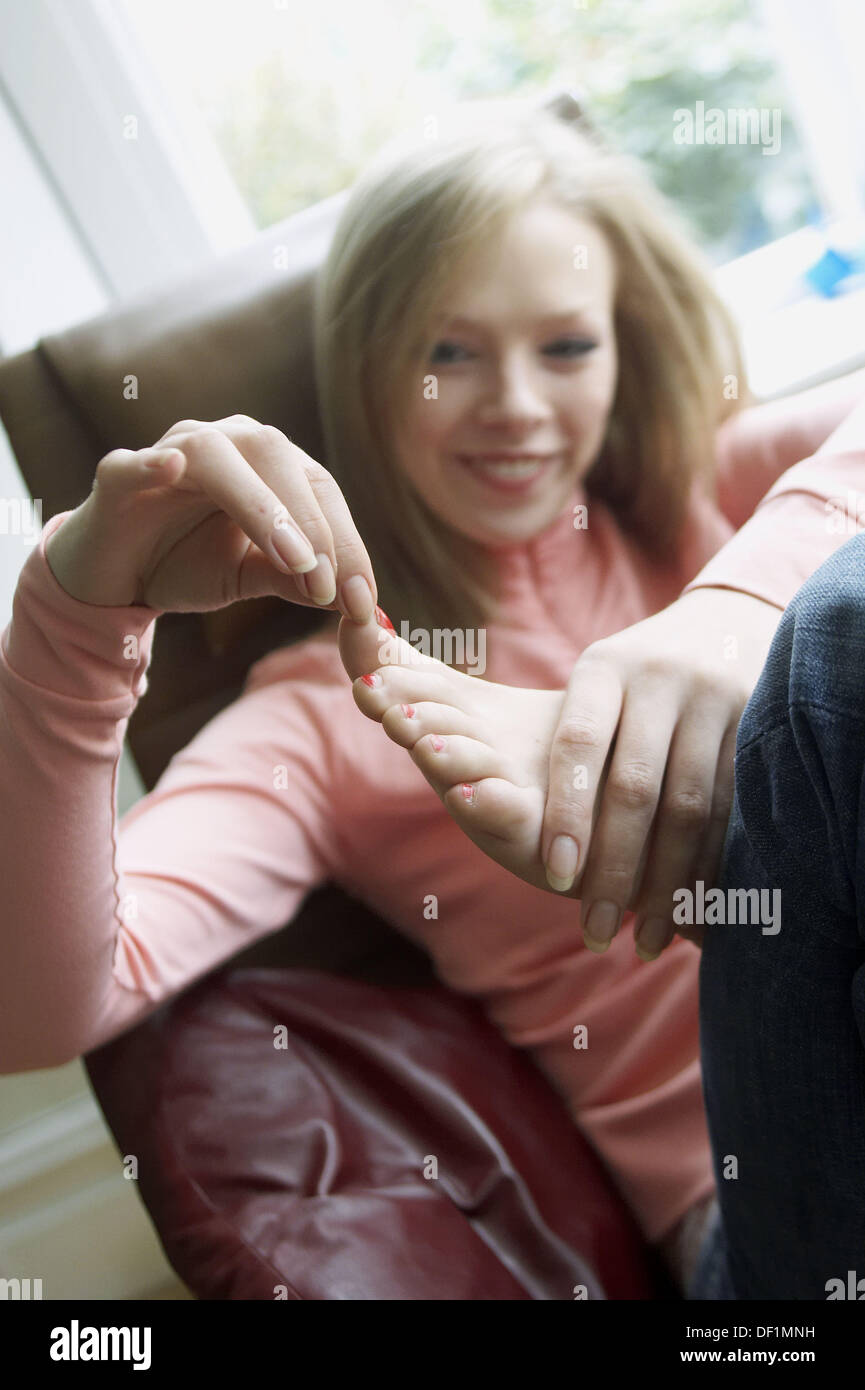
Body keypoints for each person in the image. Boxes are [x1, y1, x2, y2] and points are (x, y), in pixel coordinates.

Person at [2, 100, 863, 1298]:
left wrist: (736, 610)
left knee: (835, 627)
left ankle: (756, 853)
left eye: (565, 347)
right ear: (366, 371)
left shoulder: (720, 503)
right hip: (779, 1226)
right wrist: (76, 608)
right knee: (848, 632)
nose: (513, 402)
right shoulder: (333, 710)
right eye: (446, 353)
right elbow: (35, 1010)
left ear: (623, 350)